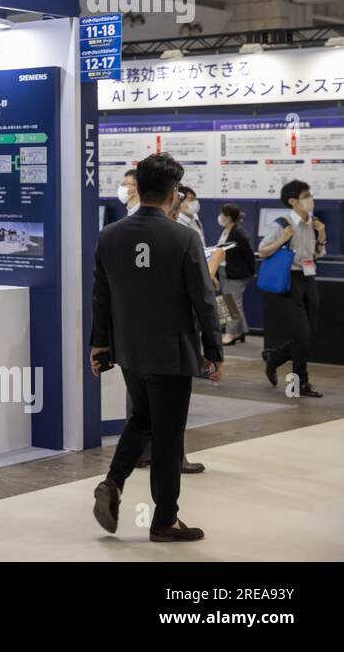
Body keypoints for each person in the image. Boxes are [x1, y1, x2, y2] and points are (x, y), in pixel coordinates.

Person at [89, 152, 223, 543]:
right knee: (168, 436)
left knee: (144, 418)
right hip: (172, 351)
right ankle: (165, 520)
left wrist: (100, 344)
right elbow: (203, 299)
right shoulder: (183, 238)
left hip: (129, 349)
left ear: (140, 187)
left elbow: (101, 296)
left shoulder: (109, 235)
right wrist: (214, 350)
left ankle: (114, 482)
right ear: (174, 194)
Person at [259, 179, 326, 398]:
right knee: (302, 333)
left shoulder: (312, 223)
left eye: (310, 195)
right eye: (305, 196)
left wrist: (322, 236)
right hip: (290, 279)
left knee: (310, 332)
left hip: (309, 276)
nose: (310, 200)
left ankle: (275, 357)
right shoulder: (282, 223)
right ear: (293, 201)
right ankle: (299, 383)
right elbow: (262, 252)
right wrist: (283, 240)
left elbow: (315, 255)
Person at [215, 203, 256, 346]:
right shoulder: (227, 230)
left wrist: (252, 270)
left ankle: (230, 333)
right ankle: (239, 332)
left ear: (228, 217)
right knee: (229, 301)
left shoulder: (238, 233)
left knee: (231, 303)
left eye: (222, 215)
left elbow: (248, 254)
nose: (219, 217)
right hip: (224, 271)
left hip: (235, 273)